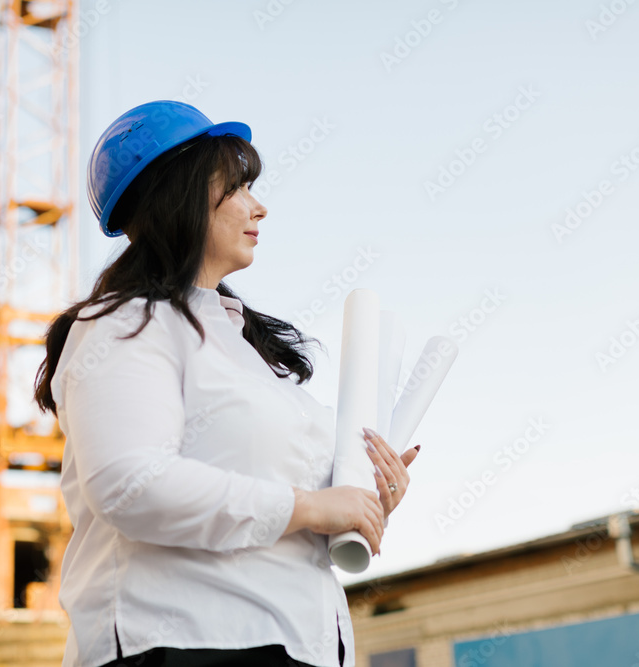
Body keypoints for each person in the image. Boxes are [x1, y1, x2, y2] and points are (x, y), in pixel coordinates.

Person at [33, 101, 420, 667]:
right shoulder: (126, 324)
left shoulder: (245, 350)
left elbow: (282, 504)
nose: (258, 207)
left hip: (296, 645)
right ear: (181, 196)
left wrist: (363, 499)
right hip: (181, 645)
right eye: (237, 188)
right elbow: (130, 485)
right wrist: (313, 507)